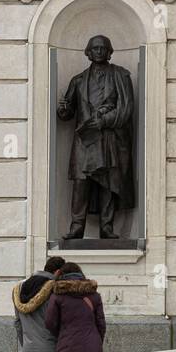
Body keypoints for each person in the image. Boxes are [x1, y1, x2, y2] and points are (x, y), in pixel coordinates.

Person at [55, 35, 135, 240]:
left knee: (108, 183)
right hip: (84, 140)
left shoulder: (121, 75)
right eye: (95, 48)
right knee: (81, 184)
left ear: (109, 52)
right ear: (88, 52)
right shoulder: (78, 80)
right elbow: (69, 111)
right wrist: (63, 110)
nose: (99, 51)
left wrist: (104, 120)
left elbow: (126, 109)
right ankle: (76, 227)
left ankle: (106, 228)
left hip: (109, 138)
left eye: (103, 48)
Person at [44, 262, 106, 352]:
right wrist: (96, 341)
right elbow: (101, 324)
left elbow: (49, 322)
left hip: (66, 348)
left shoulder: (57, 296)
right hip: (93, 348)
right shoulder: (94, 295)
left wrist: (62, 334)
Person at [13, 255, 65, 352]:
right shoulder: (54, 289)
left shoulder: (19, 289)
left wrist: (28, 344)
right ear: (58, 272)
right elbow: (57, 323)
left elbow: (18, 324)